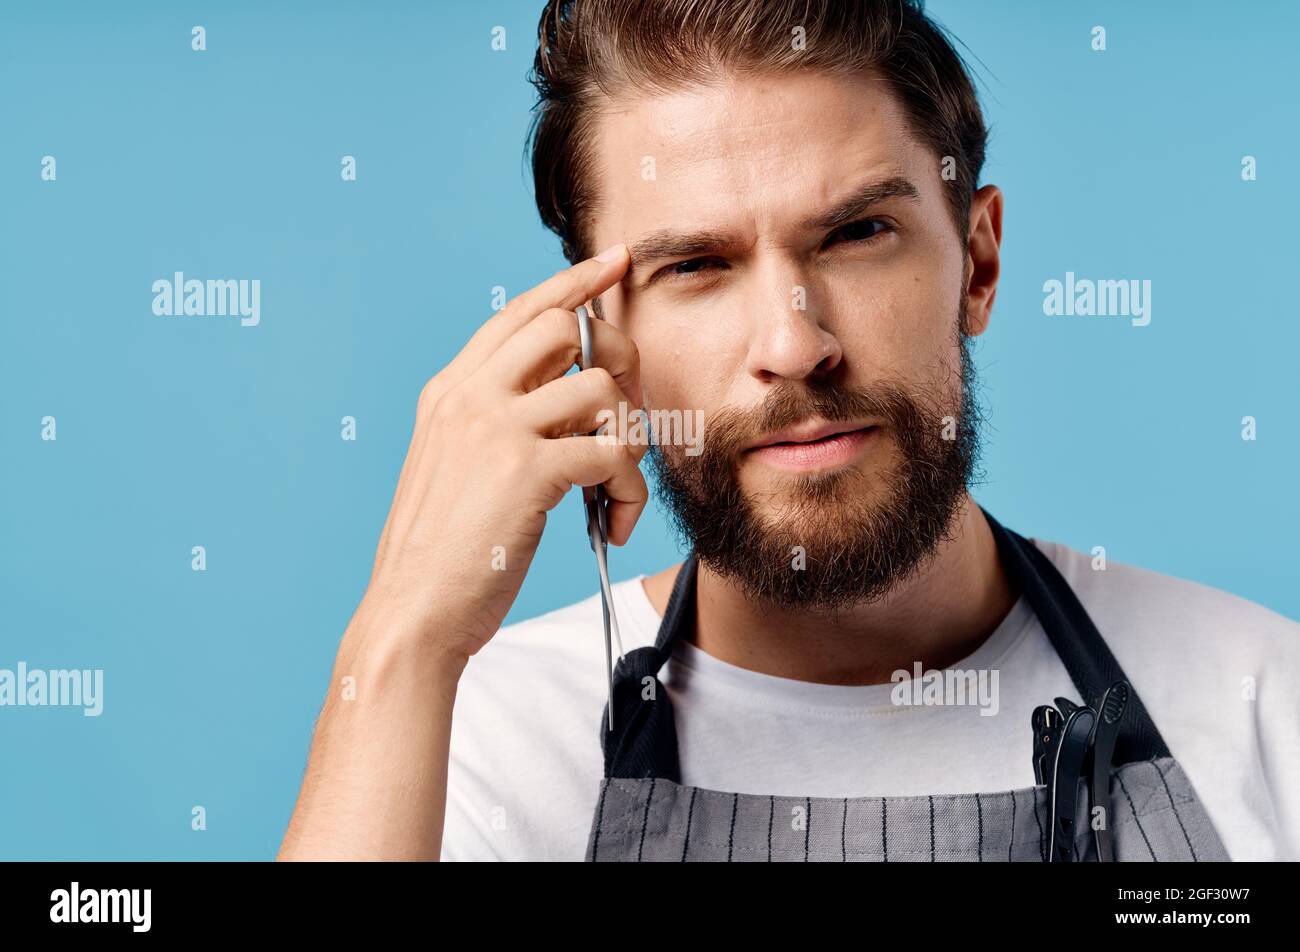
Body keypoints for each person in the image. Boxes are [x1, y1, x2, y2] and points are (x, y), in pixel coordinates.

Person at [278, 0, 1299, 862]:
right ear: (597, 339)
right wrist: (400, 639)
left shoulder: (1259, 703)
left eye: (857, 234)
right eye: (693, 266)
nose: (794, 344)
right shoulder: (473, 738)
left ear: (976, 266)